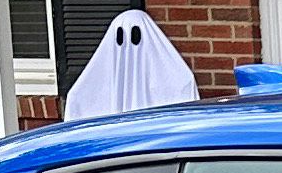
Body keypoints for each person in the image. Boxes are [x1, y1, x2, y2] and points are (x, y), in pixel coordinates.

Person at [62, 8, 198, 119]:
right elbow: (78, 100)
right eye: (121, 36)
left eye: (135, 35)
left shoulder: (177, 79)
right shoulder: (88, 86)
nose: (128, 49)